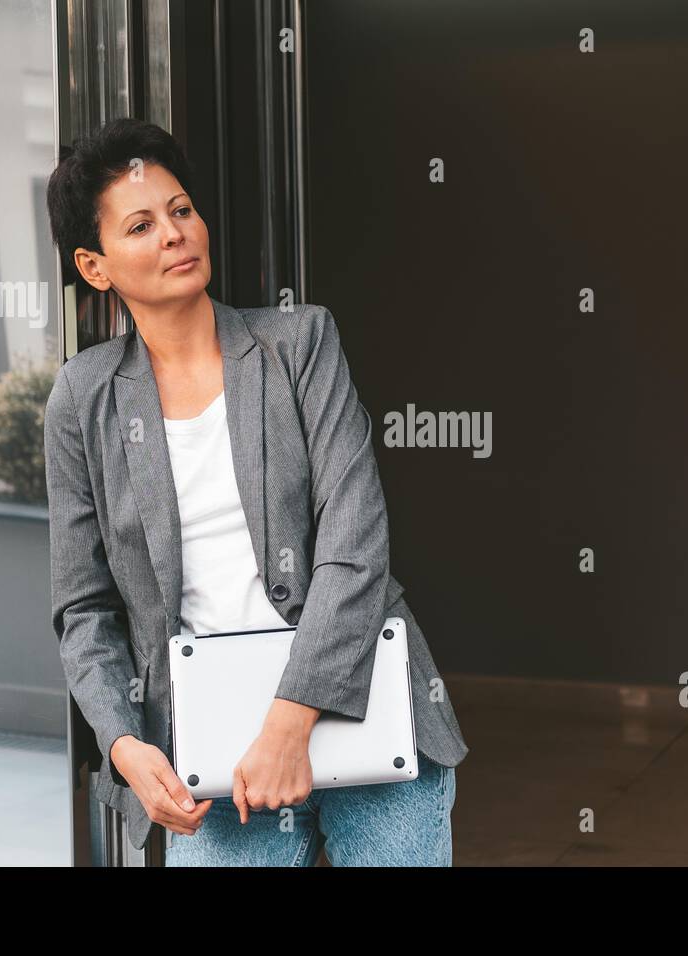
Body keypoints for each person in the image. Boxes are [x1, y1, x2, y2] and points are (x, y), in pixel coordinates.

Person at [43, 117, 469, 865]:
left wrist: (289, 723)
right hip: (211, 749)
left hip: (358, 698)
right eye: (141, 225)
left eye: (181, 210)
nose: (175, 233)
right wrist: (123, 744)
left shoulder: (299, 343)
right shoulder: (83, 399)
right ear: (95, 264)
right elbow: (84, 609)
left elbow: (355, 544)